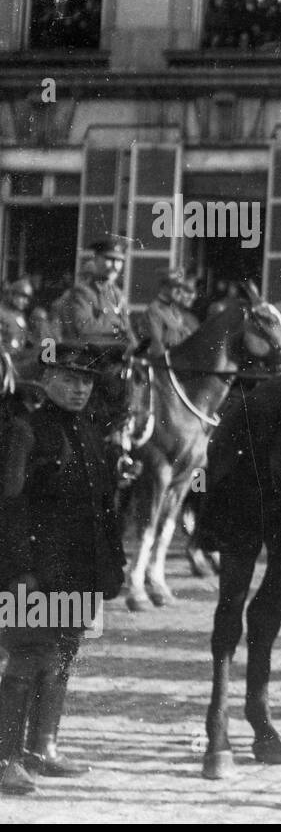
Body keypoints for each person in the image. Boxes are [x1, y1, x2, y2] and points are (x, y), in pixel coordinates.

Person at [0, 342, 125, 795]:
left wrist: (112, 566)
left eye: (86, 380)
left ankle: (43, 748)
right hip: (35, 572)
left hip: (78, 569)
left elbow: (101, 506)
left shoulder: (89, 431)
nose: (78, 389)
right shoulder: (26, 431)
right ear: (47, 380)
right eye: (69, 379)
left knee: (63, 657)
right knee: (28, 659)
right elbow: (10, 507)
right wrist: (19, 570)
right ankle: (6, 759)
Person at [56, 238, 137, 351]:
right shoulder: (82, 292)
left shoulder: (118, 294)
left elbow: (127, 329)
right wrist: (116, 327)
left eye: (119, 261)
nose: (115, 266)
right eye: (109, 260)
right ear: (96, 260)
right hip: (91, 357)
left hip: (117, 356)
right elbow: (83, 327)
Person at [143, 268, 200, 358]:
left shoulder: (175, 310)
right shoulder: (155, 310)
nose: (179, 291)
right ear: (163, 288)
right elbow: (157, 344)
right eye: (175, 287)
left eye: (181, 287)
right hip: (164, 363)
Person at [0, 278, 36, 358]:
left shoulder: (19, 314)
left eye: (28, 299)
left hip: (18, 357)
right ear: (12, 294)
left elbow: (24, 336)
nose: (26, 302)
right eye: (23, 297)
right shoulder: (1, 312)